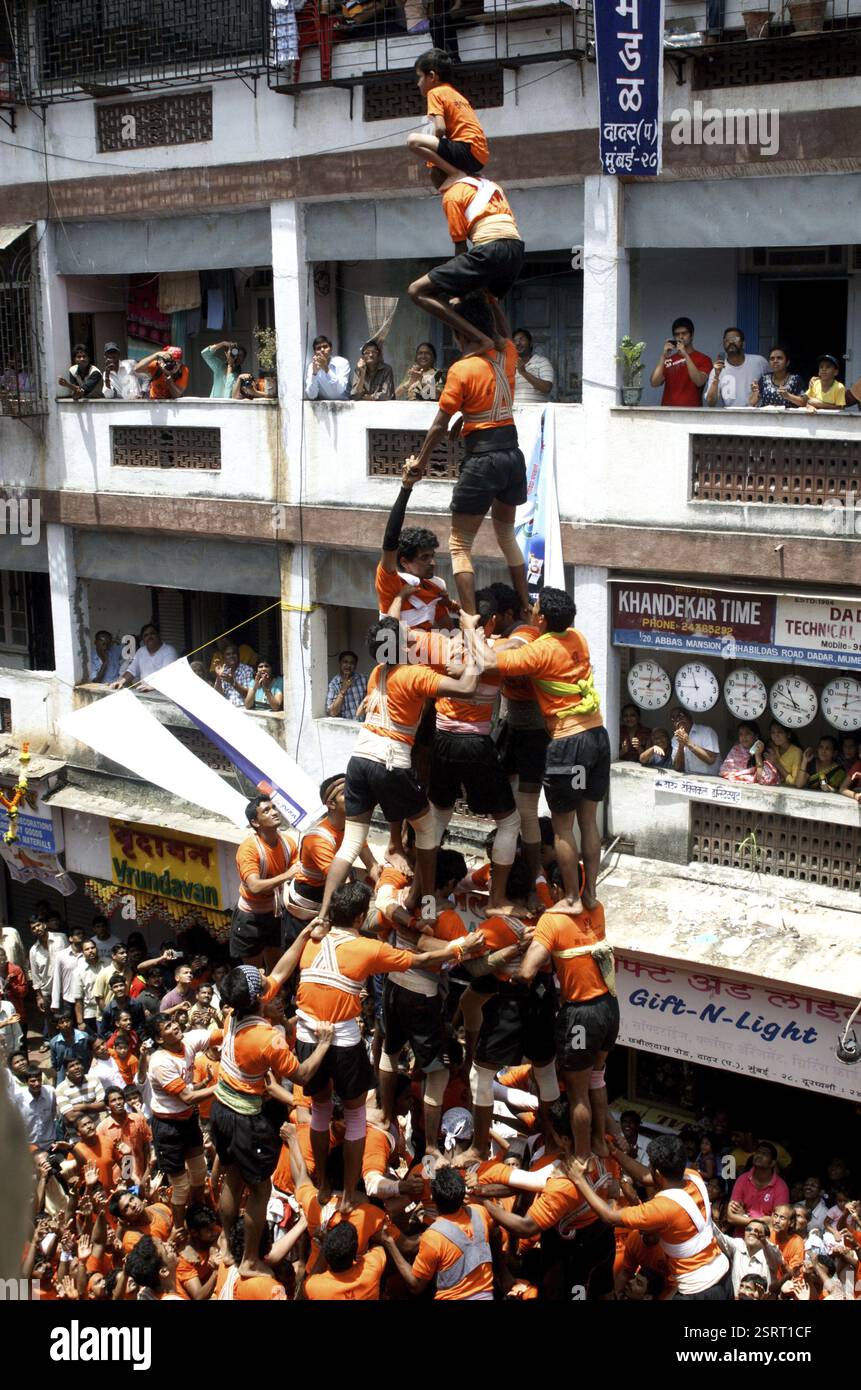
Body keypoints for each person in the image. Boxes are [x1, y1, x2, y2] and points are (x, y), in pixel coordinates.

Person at [294, 880, 481, 1207]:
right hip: (343, 1038)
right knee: (354, 1116)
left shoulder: (312, 939)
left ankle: (324, 1185)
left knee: (321, 1110)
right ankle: (350, 1194)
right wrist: (460, 946)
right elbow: (422, 960)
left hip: (308, 1036)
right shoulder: (368, 948)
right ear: (357, 917)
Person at [313, 609, 480, 921]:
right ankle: (427, 908)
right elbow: (468, 688)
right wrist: (472, 641)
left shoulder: (378, 673)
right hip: (391, 762)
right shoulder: (414, 674)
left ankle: (324, 914)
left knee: (350, 843)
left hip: (359, 759)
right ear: (402, 644)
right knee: (428, 831)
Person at [465, 586, 610, 912]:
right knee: (588, 821)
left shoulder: (539, 652)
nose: (530, 609)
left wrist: (470, 628)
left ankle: (572, 898)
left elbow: (487, 661)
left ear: (542, 618)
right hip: (597, 737)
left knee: (561, 826)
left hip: (569, 743)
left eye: (536, 607)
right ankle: (590, 894)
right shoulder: (578, 638)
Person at [210, 945, 334, 1277]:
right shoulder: (268, 1039)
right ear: (259, 998)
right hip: (245, 1120)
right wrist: (324, 1043)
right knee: (260, 1189)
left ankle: (226, 1240)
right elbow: (303, 1075)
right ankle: (250, 1259)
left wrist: (305, 934)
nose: (269, 981)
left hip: (221, 1108)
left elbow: (278, 972)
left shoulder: (233, 1013)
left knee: (232, 1180)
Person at [405, 294, 528, 615]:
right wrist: (494, 302)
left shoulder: (461, 369)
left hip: (483, 460)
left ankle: (471, 619)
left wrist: (420, 462)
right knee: (505, 534)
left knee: (460, 545)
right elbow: (504, 332)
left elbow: (437, 428)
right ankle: (527, 604)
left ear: (462, 334)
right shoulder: (508, 354)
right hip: (512, 455)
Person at [428, 588, 521, 912]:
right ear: (494, 620)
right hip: (474, 742)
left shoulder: (443, 644)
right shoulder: (497, 648)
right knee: (509, 823)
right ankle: (497, 900)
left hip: (441, 739)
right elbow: (490, 659)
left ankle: (424, 893)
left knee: (438, 817)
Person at [378, 848, 470, 1156]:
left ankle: (386, 1113)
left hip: (393, 984)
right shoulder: (450, 918)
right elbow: (437, 952)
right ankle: (431, 1145)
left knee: (390, 1052)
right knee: (438, 1072)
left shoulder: (419, 901)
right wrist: (461, 946)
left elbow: (421, 931)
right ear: (451, 882)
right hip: (421, 994)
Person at [574, 1133, 733, 1300]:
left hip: (699, 1291)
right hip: (723, 1274)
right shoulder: (693, 1176)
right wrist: (615, 1152)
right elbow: (649, 1177)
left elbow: (610, 1216)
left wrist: (579, 1180)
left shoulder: (661, 1208)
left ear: (657, 1172)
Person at [517, 897, 615, 1163]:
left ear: (558, 887)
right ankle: (599, 1144)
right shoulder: (596, 907)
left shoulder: (551, 920)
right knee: (597, 1078)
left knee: (577, 1092)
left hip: (582, 1015)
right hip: (609, 1006)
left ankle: (582, 1157)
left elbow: (527, 972)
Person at [408, 171, 522, 357]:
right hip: (515, 251)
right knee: (485, 298)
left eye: (432, 171)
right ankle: (490, 335)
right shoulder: (491, 185)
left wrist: (458, 291)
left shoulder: (453, 194)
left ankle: (480, 339)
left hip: (490, 249)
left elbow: (460, 247)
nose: (431, 177)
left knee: (416, 291)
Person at [145, 1013, 220, 1233]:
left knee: (199, 1174)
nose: (174, 1026)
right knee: (180, 1186)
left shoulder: (189, 1040)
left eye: (173, 1022)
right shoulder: (160, 1062)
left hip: (188, 1120)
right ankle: (179, 1231)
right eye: (167, 1026)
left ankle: (197, 1220)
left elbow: (220, 1035)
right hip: (168, 1128)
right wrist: (223, 1086)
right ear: (159, 1039)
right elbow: (187, 1097)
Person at [382, 1164, 496, 1299]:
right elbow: (496, 1233)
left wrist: (389, 1242)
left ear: (433, 1199)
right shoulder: (480, 1212)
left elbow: (416, 1286)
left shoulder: (434, 1236)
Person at [376, 463, 454, 632]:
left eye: (432, 556)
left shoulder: (436, 587)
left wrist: (452, 606)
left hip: (425, 657)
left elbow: (451, 632)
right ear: (405, 562)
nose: (432, 563)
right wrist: (406, 488)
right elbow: (390, 539)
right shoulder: (391, 582)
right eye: (424, 557)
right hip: (393, 655)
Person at [231, 794, 300, 970]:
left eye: (274, 808)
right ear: (255, 822)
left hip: (275, 912)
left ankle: (274, 997)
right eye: (266, 811)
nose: (274, 812)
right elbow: (254, 886)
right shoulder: (249, 848)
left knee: (275, 968)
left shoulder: (288, 843)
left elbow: (298, 874)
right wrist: (287, 875)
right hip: (250, 916)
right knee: (253, 972)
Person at [408, 48, 489, 179]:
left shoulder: (435, 92)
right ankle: (465, 174)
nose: (418, 83)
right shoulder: (457, 95)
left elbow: (440, 128)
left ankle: (454, 173)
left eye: (420, 77)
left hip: (466, 150)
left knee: (413, 141)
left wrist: (433, 152)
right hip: (480, 157)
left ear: (432, 76)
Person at [305, 1219, 387, 1300]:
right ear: (355, 1253)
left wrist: (325, 1245)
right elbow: (378, 1245)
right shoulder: (372, 1267)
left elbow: (311, 1278)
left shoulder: (313, 1287)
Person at [649, 317, 712, 407]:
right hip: (668, 414)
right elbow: (654, 383)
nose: (681, 337)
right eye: (677, 334)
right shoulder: (668, 360)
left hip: (692, 414)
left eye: (684, 333)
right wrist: (663, 356)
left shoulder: (704, 359)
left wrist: (685, 355)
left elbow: (699, 381)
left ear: (692, 335)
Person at [715, 1217, 781, 1297]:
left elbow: (777, 1258)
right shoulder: (738, 1245)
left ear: (766, 1237)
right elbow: (718, 1236)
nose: (752, 1232)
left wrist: (764, 1242)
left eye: (757, 1231)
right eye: (749, 1229)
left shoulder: (770, 1255)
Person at [728, 1141, 790, 1226]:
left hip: (765, 1238)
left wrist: (744, 1216)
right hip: (739, 1237)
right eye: (758, 1152)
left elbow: (777, 1223)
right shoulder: (742, 1179)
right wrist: (762, 1221)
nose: (759, 1155)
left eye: (764, 1154)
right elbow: (731, 1217)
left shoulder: (781, 1187)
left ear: (772, 1163)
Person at [705, 328, 768, 408]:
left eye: (735, 339)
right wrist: (716, 377)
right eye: (727, 340)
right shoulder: (716, 371)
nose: (731, 342)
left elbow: (774, 382)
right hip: (731, 417)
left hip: (757, 416)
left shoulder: (759, 362)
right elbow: (711, 403)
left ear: (743, 343)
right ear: (724, 344)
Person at [112, 623, 178, 689]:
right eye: (146, 635)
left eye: (152, 633)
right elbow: (132, 671)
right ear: (143, 639)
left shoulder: (169, 651)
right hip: (145, 692)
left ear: (158, 635)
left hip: (164, 693)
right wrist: (120, 682)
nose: (149, 637)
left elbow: (168, 675)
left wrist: (151, 687)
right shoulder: (141, 651)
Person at [719, 721, 779, 785]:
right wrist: (744, 777)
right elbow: (724, 771)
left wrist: (758, 755)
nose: (743, 737)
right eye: (740, 734)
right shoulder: (736, 750)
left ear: (756, 736)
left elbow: (763, 779)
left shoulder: (767, 752)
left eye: (747, 733)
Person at [670, 707, 720, 776]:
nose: (678, 719)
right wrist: (681, 746)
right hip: (690, 781)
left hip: (711, 781)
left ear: (689, 717)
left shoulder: (707, 732)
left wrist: (688, 743)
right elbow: (678, 768)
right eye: (673, 718)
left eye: (680, 715)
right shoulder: (675, 739)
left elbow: (710, 759)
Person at [511, 328, 554, 403]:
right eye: (515, 341)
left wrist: (524, 373)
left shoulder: (542, 361)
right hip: (514, 412)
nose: (517, 343)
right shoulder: (509, 364)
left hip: (537, 412)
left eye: (522, 339)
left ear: (530, 343)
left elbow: (547, 388)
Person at [49, 1010, 93, 1083]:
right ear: (57, 1026)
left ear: (72, 1022)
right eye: (61, 1023)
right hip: (64, 1072)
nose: (65, 1024)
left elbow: (90, 1055)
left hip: (83, 1069)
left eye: (67, 1021)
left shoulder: (84, 1037)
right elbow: (55, 1063)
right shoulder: (54, 1042)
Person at [305, 335, 350, 400]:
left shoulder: (342, 362)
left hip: (345, 404)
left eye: (325, 347)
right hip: (324, 407)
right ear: (315, 352)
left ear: (331, 349)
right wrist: (314, 374)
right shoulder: (312, 366)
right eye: (318, 348)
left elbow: (340, 389)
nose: (322, 350)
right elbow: (311, 395)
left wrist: (326, 368)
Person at [326, 651, 368, 720]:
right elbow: (332, 713)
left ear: (356, 665)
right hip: (346, 727)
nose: (348, 665)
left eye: (352, 663)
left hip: (363, 725)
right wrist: (342, 691)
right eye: (345, 662)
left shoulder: (363, 679)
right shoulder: (334, 684)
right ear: (340, 663)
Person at [213, 642, 255, 707]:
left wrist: (233, 682)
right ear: (223, 657)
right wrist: (219, 676)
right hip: (227, 709)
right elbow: (217, 695)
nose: (231, 656)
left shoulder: (247, 669)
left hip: (243, 709)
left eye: (234, 653)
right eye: (228, 654)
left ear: (238, 656)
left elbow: (248, 694)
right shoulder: (223, 670)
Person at [768, 721, 802, 785]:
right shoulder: (772, 749)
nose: (776, 735)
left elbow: (794, 782)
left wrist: (777, 764)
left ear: (788, 735)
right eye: (773, 732)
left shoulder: (796, 752)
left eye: (780, 732)